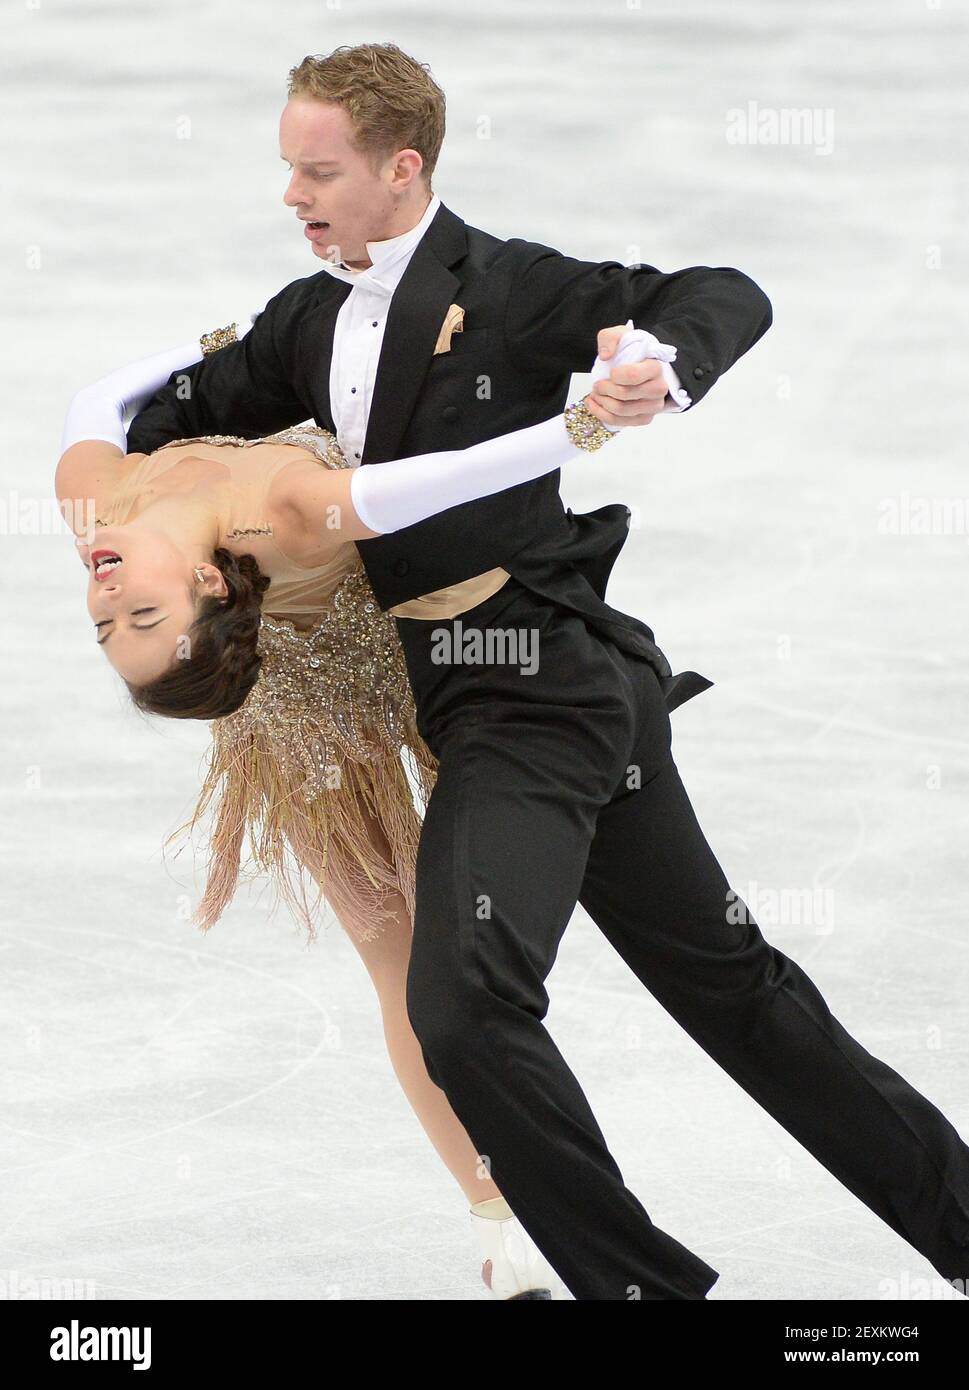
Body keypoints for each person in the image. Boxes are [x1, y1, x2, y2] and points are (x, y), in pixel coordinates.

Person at [122, 43, 969, 1301]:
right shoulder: (308, 321)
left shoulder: (505, 286)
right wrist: (121, 451)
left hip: (533, 683)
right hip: (549, 695)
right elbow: (167, 408)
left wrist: (662, 362)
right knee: (741, 994)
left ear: (402, 169)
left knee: (463, 1009)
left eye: (319, 171)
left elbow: (718, 286)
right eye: (287, 170)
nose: (293, 196)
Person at [56, 312, 664, 1300]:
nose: (103, 599)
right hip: (308, 693)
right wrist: (582, 424)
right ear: (208, 583)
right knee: (398, 949)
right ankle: (502, 1220)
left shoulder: (90, 509)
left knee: (502, 902)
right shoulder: (287, 511)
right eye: (140, 619)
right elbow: (434, 478)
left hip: (412, 638)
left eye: (113, 627)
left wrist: (228, 346)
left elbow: (94, 406)